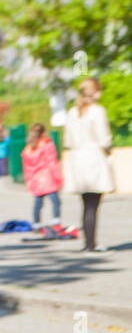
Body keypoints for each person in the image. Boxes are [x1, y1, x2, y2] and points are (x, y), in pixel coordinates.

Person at [63, 76, 115, 253]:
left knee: (86, 204)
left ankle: (88, 243)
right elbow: (104, 139)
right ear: (95, 91)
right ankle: (91, 244)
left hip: (77, 160)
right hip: (93, 159)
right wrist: (108, 149)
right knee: (93, 204)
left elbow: (67, 140)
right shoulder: (97, 111)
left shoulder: (72, 112)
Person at [21, 123, 64, 231]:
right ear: (44, 132)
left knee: (38, 204)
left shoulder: (28, 148)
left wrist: (29, 181)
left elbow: (27, 168)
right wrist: (59, 177)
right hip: (48, 177)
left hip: (35, 180)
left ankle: (36, 224)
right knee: (55, 202)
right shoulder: (47, 145)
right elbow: (52, 162)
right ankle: (56, 223)